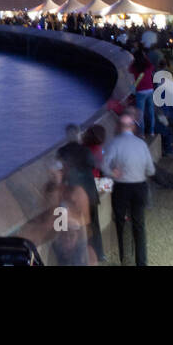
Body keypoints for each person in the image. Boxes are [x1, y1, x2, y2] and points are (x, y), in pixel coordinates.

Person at [103, 114, 155, 266]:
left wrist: (114, 173)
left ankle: (125, 259)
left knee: (120, 224)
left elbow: (104, 166)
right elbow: (151, 170)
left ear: (119, 127)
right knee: (139, 225)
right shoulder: (141, 144)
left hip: (121, 188)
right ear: (132, 127)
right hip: (139, 187)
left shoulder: (114, 143)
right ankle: (141, 261)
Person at [57, 124, 104, 262]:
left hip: (73, 197)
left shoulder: (62, 151)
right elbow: (94, 165)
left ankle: (75, 258)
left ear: (67, 135)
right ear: (78, 135)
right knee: (94, 225)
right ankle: (99, 253)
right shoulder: (85, 150)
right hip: (90, 193)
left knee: (73, 229)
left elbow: (59, 171)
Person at [129, 48, 156, 137]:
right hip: (150, 90)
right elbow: (152, 66)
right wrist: (145, 58)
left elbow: (128, 69)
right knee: (151, 111)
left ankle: (142, 133)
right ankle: (152, 132)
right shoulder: (148, 66)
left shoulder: (134, 67)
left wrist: (134, 60)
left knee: (140, 114)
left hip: (140, 92)